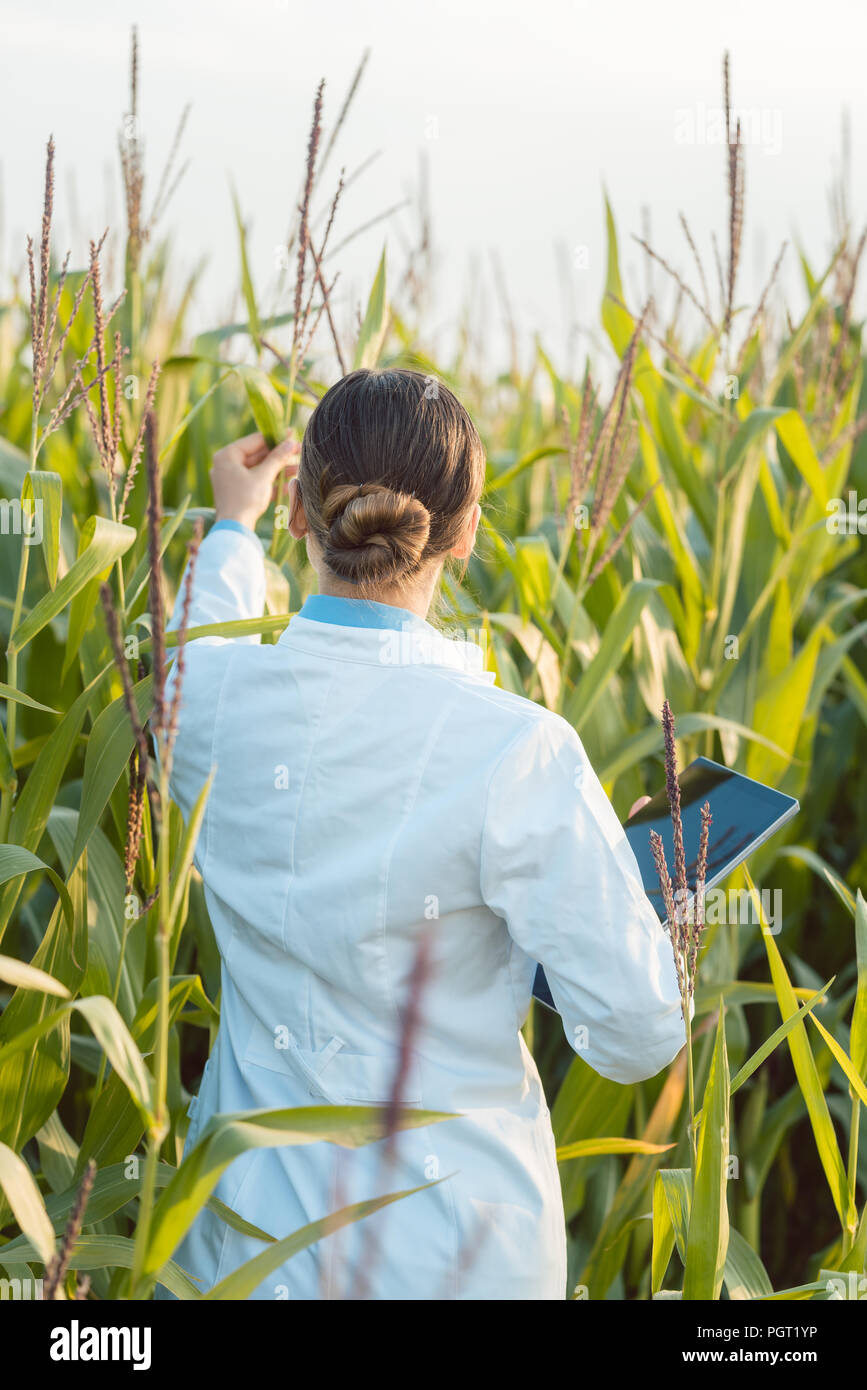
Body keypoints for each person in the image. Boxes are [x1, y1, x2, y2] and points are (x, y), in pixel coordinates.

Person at [161, 366, 685, 1301]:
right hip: (450, 1261)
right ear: (467, 530)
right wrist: (642, 918)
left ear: (302, 518)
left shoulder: (202, 707)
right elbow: (635, 1038)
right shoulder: (519, 751)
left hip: (234, 1254)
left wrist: (231, 525)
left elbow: (195, 648)